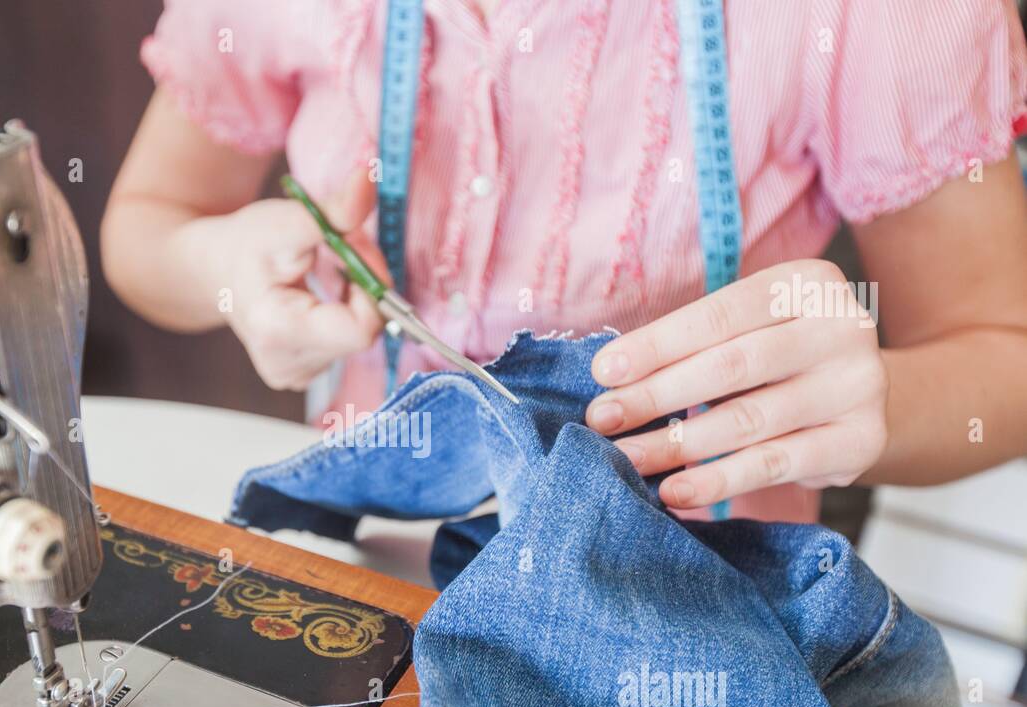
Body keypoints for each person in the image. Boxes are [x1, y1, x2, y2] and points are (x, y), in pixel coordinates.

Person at [102, 0, 1027, 522]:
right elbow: (146, 227)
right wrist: (226, 269)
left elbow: (1004, 355)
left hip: (684, 602)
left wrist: (876, 408)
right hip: (365, 552)